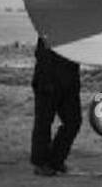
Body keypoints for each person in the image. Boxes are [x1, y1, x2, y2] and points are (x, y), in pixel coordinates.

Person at [30, 35, 81, 176]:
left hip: (69, 79)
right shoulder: (49, 24)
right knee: (44, 122)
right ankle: (40, 163)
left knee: (73, 121)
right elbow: (42, 53)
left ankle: (55, 160)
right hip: (47, 79)